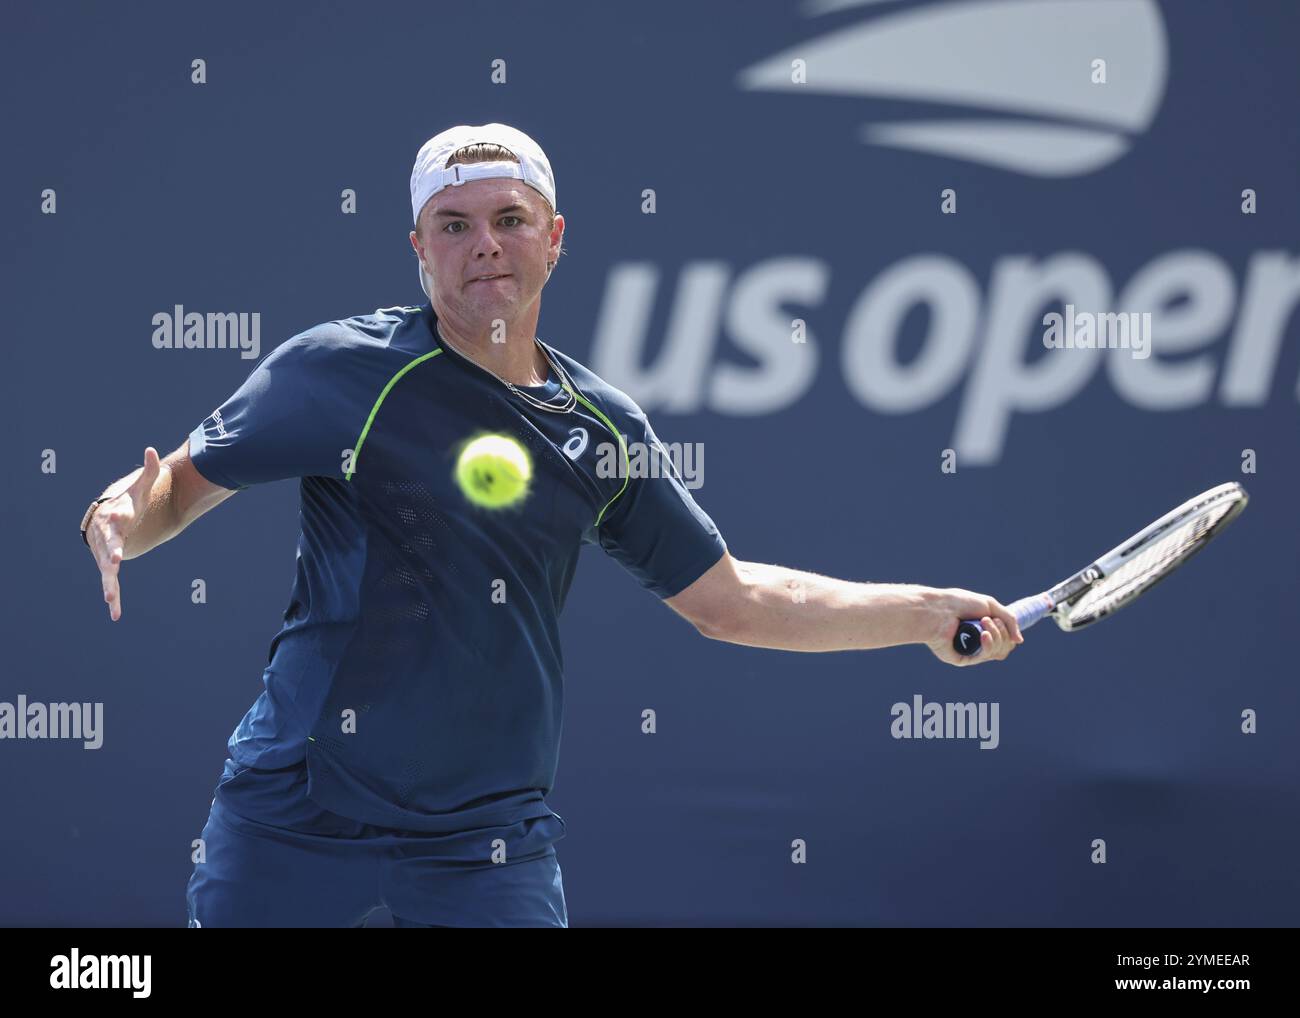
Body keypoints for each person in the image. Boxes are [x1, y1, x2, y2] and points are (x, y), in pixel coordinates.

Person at [78, 123, 1023, 928]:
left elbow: (734, 601)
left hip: (489, 845)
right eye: (455, 225)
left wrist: (924, 612)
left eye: (509, 219)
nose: (484, 243)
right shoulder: (337, 373)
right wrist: (122, 513)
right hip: (296, 816)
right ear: (419, 247)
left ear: (554, 238)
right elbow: (179, 488)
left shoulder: (603, 430)